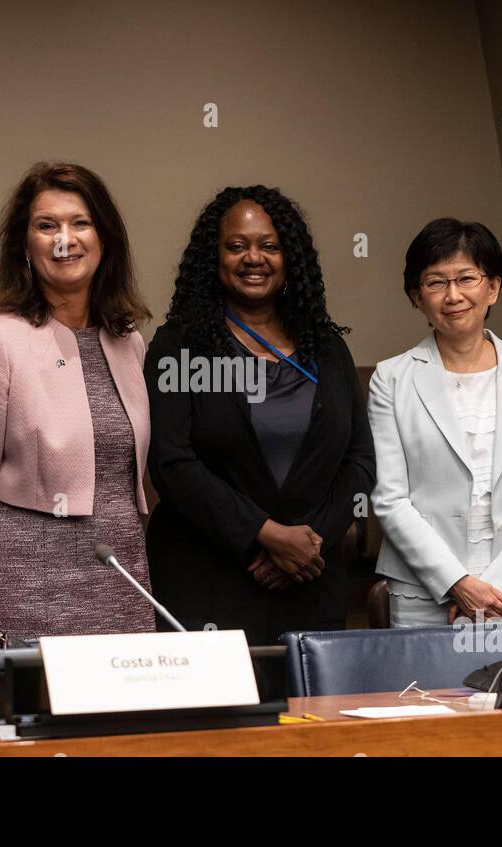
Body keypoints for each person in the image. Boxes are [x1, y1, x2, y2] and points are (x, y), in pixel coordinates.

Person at [145, 185, 374, 644]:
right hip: (209, 582)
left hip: (311, 579)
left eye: (269, 245)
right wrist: (264, 535)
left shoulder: (328, 348)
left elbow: (361, 461)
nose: (254, 258)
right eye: (237, 246)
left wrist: (308, 546)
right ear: (215, 257)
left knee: (312, 714)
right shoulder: (181, 347)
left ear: (290, 257)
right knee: (223, 716)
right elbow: (171, 462)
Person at [0, 162, 153, 640]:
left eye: (80, 222)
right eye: (45, 225)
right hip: (24, 584)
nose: (64, 238)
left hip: (122, 577)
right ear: (25, 246)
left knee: (126, 714)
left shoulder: (129, 342)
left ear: (105, 238)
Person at [369, 218, 502, 626]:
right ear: (416, 297)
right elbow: (390, 498)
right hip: (425, 595)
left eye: (466, 278)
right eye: (436, 282)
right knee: (427, 694)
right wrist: (456, 580)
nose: (453, 295)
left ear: (492, 287)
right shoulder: (390, 380)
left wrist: (496, 586)